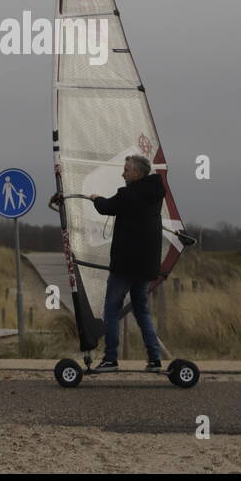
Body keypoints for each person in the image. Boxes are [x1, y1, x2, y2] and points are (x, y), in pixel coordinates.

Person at [87, 154, 166, 371]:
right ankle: (154, 358)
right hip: (146, 266)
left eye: (126, 170)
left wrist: (95, 198)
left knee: (111, 309)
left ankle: (110, 358)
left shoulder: (128, 194)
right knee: (141, 310)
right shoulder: (156, 194)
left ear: (137, 173)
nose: (123, 173)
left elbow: (106, 207)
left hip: (126, 266)